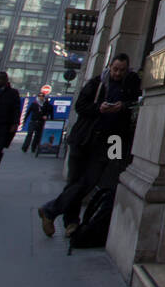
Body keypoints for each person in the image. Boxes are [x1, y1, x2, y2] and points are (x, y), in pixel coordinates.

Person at [38, 54, 140, 239]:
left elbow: (134, 104)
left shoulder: (130, 84)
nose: (118, 73)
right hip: (84, 139)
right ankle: (71, 223)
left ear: (127, 69)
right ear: (110, 66)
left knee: (91, 180)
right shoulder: (96, 83)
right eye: (115, 69)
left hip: (112, 140)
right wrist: (98, 108)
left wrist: (122, 107)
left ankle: (51, 210)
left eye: (122, 70)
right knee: (75, 181)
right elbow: (80, 107)